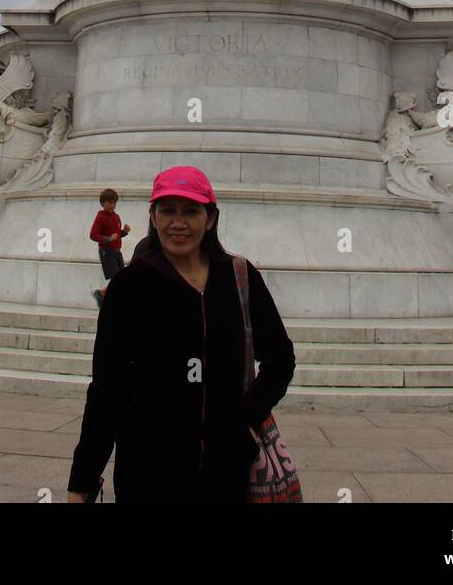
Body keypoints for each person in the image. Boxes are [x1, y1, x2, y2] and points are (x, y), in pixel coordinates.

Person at [68, 166, 296, 505]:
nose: (178, 223)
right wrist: (82, 480)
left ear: (210, 218)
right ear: (153, 216)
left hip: (227, 474)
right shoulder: (129, 288)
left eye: (191, 211)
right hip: (147, 476)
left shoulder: (239, 277)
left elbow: (280, 357)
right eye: (168, 210)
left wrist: (243, 415)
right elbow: (106, 392)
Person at [89, 190, 130, 307]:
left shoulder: (116, 217)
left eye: (114, 203)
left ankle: (102, 294)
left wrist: (125, 232)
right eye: (109, 202)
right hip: (106, 251)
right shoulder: (100, 217)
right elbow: (93, 235)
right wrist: (108, 239)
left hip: (117, 251)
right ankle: (106, 297)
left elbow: (117, 235)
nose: (112, 205)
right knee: (117, 277)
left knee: (122, 277)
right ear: (103, 203)